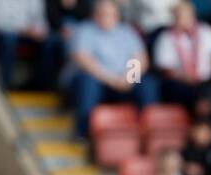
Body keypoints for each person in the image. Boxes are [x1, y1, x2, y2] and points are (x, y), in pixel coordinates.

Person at [65, 0, 157, 137]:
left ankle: (149, 130)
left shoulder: (127, 32)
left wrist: (129, 79)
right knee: (87, 82)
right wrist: (112, 80)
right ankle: (83, 132)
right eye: (101, 14)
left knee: (148, 82)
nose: (104, 17)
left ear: (116, 15)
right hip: (98, 81)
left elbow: (140, 58)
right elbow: (83, 60)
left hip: (125, 82)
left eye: (108, 14)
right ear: (94, 15)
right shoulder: (84, 30)